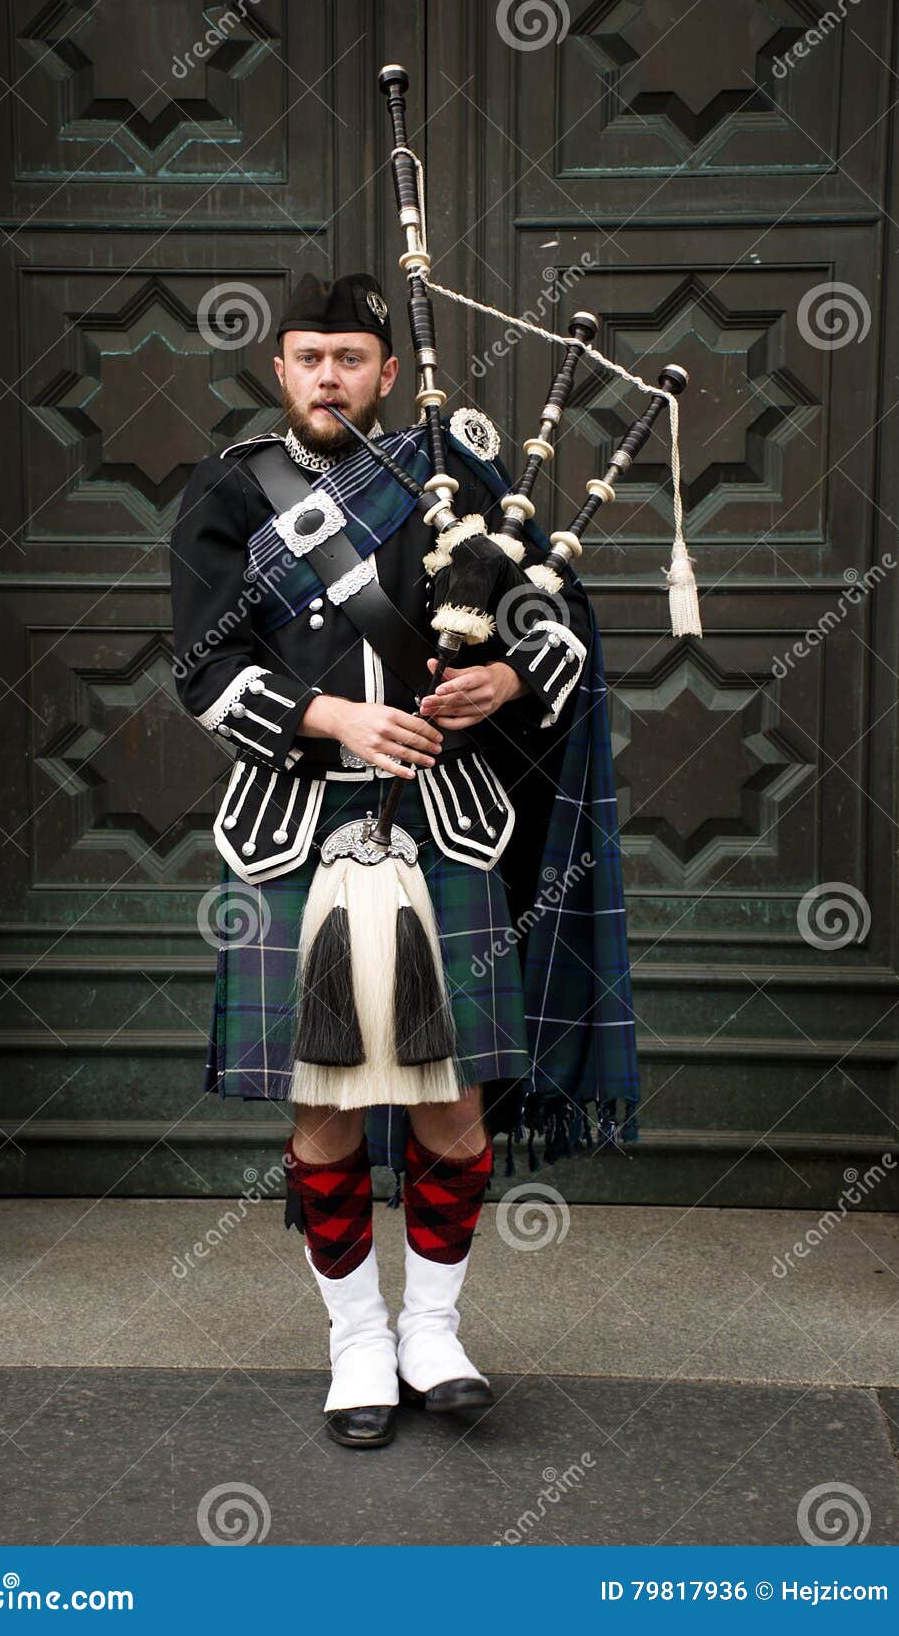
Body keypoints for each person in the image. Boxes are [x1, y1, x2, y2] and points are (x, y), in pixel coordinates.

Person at [169, 271, 636, 1449]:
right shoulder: (229, 493)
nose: (328, 376)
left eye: (350, 358)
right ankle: (355, 1340)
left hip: (445, 821)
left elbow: (549, 611)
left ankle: (431, 1327)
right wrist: (336, 720)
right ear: (277, 369)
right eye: (307, 357)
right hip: (295, 824)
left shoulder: (451, 481)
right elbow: (201, 672)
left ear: (384, 371)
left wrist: (512, 676)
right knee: (321, 1106)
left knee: (453, 1099)